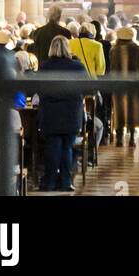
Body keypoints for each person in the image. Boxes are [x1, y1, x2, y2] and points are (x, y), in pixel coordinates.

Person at [35, 35, 85, 192]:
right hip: (71, 111)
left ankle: (49, 182)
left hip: (51, 111)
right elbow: (86, 88)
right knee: (67, 147)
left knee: (53, 146)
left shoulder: (44, 67)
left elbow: (39, 89)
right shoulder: (78, 67)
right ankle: (65, 181)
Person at [110, 26, 139, 143]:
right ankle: (132, 138)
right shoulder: (137, 48)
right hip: (133, 83)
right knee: (133, 110)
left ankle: (119, 138)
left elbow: (112, 67)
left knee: (119, 110)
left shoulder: (114, 49)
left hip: (118, 84)